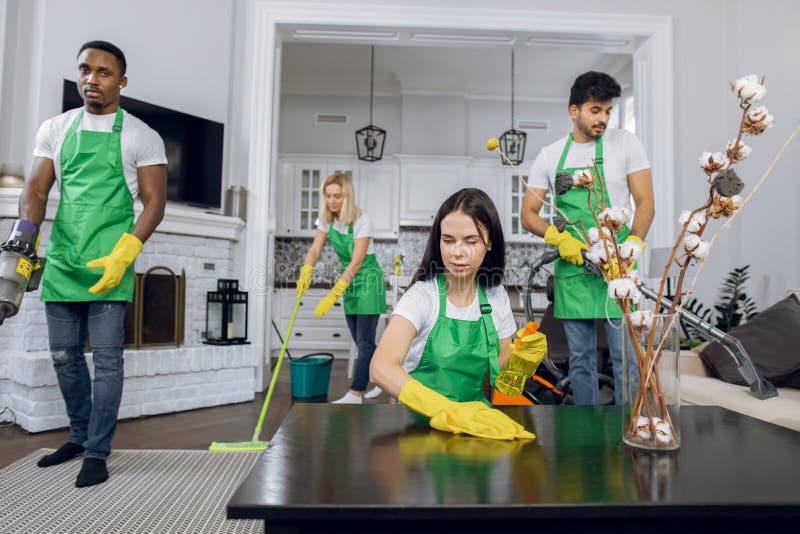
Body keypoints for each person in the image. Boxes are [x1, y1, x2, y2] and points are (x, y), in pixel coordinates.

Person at [14, 40, 167, 486]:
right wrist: (22, 241)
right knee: (64, 358)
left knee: (107, 362)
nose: (91, 79)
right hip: (64, 257)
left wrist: (125, 254)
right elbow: (36, 190)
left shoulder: (141, 135)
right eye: (85, 69)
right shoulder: (56, 128)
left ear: (121, 80)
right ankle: (79, 437)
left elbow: (155, 204)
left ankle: (98, 451)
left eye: (103, 72)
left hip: (110, 262)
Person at [520, 71, 654, 405]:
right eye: (595, 110)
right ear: (574, 110)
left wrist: (633, 244)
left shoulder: (626, 144)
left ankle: (630, 425)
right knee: (580, 359)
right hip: (573, 265)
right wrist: (559, 239)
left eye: (607, 111)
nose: (603, 118)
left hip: (618, 266)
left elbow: (645, 203)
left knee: (626, 357)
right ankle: (586, 428)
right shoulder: (551, 155)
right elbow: (528, 214)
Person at [370, 188, 545, 440]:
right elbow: (380, 367)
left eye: (471, 241)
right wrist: (446, 410)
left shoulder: (495, 297)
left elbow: (502, 374)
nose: (457, 252)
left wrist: (522, 360)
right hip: (418, 429)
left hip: (474, 426)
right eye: (448, 240)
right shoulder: (422, 296)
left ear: (489, 242)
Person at [296, 172, 387, 404]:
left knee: (364, 342)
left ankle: (356, 393)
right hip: (349, 281)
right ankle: (386, 375)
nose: (332, 201)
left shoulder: (362, 220)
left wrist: (333, 294)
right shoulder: (326, 218)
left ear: (347, 196)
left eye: (337, 196)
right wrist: (306, 268)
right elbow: (315, 248)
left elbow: (357, 262)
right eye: (328, 196)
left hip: (368, 281)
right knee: (361, 341)